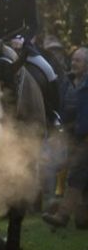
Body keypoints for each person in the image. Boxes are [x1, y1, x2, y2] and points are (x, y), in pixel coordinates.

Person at [44, 47, 88, 228]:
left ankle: (62, 216)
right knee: (82, 222)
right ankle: (81, 216)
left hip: (86, 136)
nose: (73, 63)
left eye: (78, 60)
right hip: (70, 136)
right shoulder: (66, 83)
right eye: (73, 59)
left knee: (77, 174)